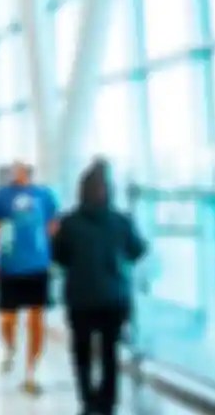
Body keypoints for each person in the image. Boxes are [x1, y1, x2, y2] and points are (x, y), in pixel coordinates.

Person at [54, 159, 147, 415]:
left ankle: (88, 401)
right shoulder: (121, 221)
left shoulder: (69, 223)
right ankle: (107, 404)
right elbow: (138, 250)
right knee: (109, 352)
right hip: (113, 298)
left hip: (80, 298)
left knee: (82, 351)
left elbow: (58, 256)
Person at [0, 161, 60, 395]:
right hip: (9, 266)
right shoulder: (0, 196)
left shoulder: (45, 195)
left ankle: (31, 370)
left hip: (37, 267)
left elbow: (53, 226)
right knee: (8, 318)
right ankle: (10, 347)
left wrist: (51, 253)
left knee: (37, 319)